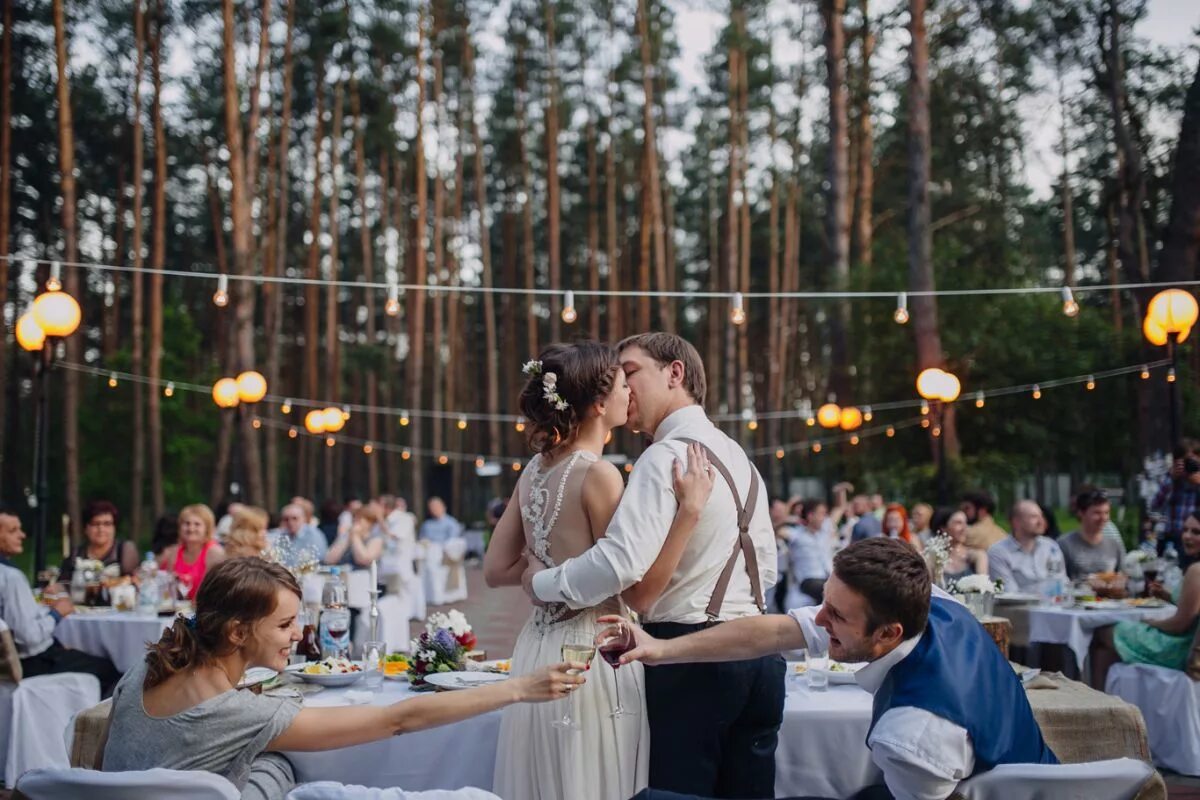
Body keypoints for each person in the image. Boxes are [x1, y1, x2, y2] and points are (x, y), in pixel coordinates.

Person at [523, 333, 780, 798]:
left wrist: (541, 582)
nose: (622, 383)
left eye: (632, 371)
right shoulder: (740, 457)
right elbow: (768, 563)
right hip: (761, 657)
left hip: (689, 658)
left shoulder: (664, 457)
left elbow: (619, 564)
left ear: (675, 373)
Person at [609, 538, 1058, 800]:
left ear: (888, 634)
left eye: (837, 618)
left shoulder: (911, 733)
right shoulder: (941, 604)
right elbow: (774, 633)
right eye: (826, 602)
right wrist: (661, 650)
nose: (820, 621)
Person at [98, 558, 584, 800]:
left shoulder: (152, 663)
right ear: (237, 631)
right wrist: (519, 688)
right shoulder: (236, 714)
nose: (299, 634)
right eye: (286, 625)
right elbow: (399, 720)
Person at [486, 340, 715, 800]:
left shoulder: (533, 470)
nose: (630, 391)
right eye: (620, 384)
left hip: (536, 644)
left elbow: (495, 570)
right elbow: (632, 580)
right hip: (594, 648)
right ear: (596, 404)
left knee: (545, 777)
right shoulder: (600, 474)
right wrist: (689, 512)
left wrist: (539, 576)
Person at [0, 506, 120, 696]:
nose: (22, 535)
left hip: (10, 666)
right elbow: (28, 638)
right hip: (32, 663)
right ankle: (96, 724)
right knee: (112, 672)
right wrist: (57, 613)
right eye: (13, 530)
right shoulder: (11, 577)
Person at [1091, 511, 1200, 687]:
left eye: (1196, 532)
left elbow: (1180, 624)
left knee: (1102, 632)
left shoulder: (1196, 570)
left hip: (1177, 650)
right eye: (1185, 530)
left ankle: (1098, 699)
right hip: (1185, 647)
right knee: (1108, 646)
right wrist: (1166, 595)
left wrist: (1150, 623)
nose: (1187, 536)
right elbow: (1193, 608)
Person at [987, 500, 1067, 594]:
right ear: (1016, 522)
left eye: (1041, 516)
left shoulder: (1051, 547)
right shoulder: (998, 552)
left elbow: (1062, 583)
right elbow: (1009, 594)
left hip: (1055, 606)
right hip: (1019, 608)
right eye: (1034, 517)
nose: (1041, 521)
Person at [60, 500, 139, 582]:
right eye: (95, 524)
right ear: (86, 528)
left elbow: (133, 581)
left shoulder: (124, 550)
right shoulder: (75, 554)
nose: (101, 529)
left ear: (114, 528)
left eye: (107, 524)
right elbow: (63, 584)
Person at [159, 504, 226, 601]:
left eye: (197, 524)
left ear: (207, 529)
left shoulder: (214, 553)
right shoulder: (173, 552)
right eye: (187, 523)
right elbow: (167, 589)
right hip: (179, 610)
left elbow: (213, 590)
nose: (191, 528)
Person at [1058, 488, 1126, 580]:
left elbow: (1122, 577)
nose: (1103, 518)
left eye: (1106, 513)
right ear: (1081, 513)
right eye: (1097, 513)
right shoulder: (1064, 544)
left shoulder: (1114, 546)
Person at [1152, 440, 1200, 554]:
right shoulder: (1171, 480)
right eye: (1186, 461)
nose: (1190, 464)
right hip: (1172, 541)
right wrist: (1171, 480)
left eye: (1194, 460)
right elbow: (1155, 505)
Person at [785, 500, 833, 607]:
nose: (824, 518)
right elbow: (775, 530)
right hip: (808, 580)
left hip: (826, 578)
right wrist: (790, 519)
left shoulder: (823, 534)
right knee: (830, 591)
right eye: (821, 514)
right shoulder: (796, 534)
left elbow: (840, 509)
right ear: (811, 516)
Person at [930, 507, 988, 584]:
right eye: (958, 523)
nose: (964, 528)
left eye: (966, 523)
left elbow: (983, 587)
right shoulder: (932, 558)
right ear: (943, 528)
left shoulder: (977, 556)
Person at [324, 501, 385, 568]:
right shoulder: (347, 536)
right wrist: (347, 538)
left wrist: (355, 537)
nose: (355, 522)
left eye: (359, 519)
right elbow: (328, 560)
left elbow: (364, 560)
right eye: (354, 518)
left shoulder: (376, 539)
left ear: (370, 523)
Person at [269, 503, 328, 567]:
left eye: (295, 518)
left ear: (304, 519)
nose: (290, 522)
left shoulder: (314, 535)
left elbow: (321, 558)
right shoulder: (280, 535)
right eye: (286, 519)